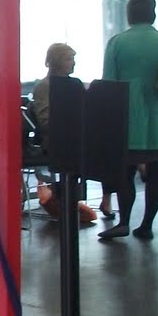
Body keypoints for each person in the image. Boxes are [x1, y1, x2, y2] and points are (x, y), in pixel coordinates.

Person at [98, 0, 158, 241]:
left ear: (129, 13)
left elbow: (109, 84)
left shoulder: (116, 42)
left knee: (125, 169)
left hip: (127, 115)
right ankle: (147, 224)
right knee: (155, 169)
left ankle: (124, 221)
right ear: (153, 13)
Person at [30, 42, 104, 225]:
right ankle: (66, 201)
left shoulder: (73, 85)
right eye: (69, 59)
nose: (73, 63)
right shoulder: (44, 87)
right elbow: (45, 120)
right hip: (56, 142)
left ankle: (71, 201)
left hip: (70, 138)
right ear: (56, 62)